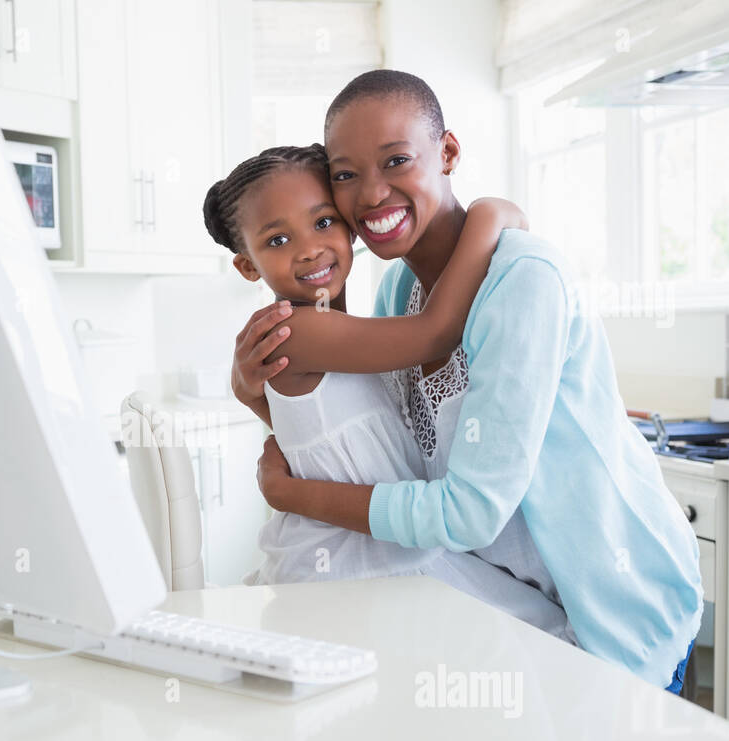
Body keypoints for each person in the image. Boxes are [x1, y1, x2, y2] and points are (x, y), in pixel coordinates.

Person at [233, 70, 702, 692]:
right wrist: (253, 393)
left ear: (447, 153)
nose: (371, 195)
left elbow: (470, 511)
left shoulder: (524, 280)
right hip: (517, 609)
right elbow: (382, 437)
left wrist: (292, 495)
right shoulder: (403, 289)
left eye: (396, 160)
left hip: (614, 613)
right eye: (346, 175)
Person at [202, 143, 573, 640]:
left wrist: (253, 401)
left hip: (380, 553)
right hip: (354, 565)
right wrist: (489, 216)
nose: (309, 248)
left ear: (351, 227)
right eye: (277, 240)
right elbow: (434, 331)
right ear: (248, 266)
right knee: (547, 638)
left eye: (322, 222)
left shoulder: (345, 330)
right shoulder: (300, 331)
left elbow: (330, 436)